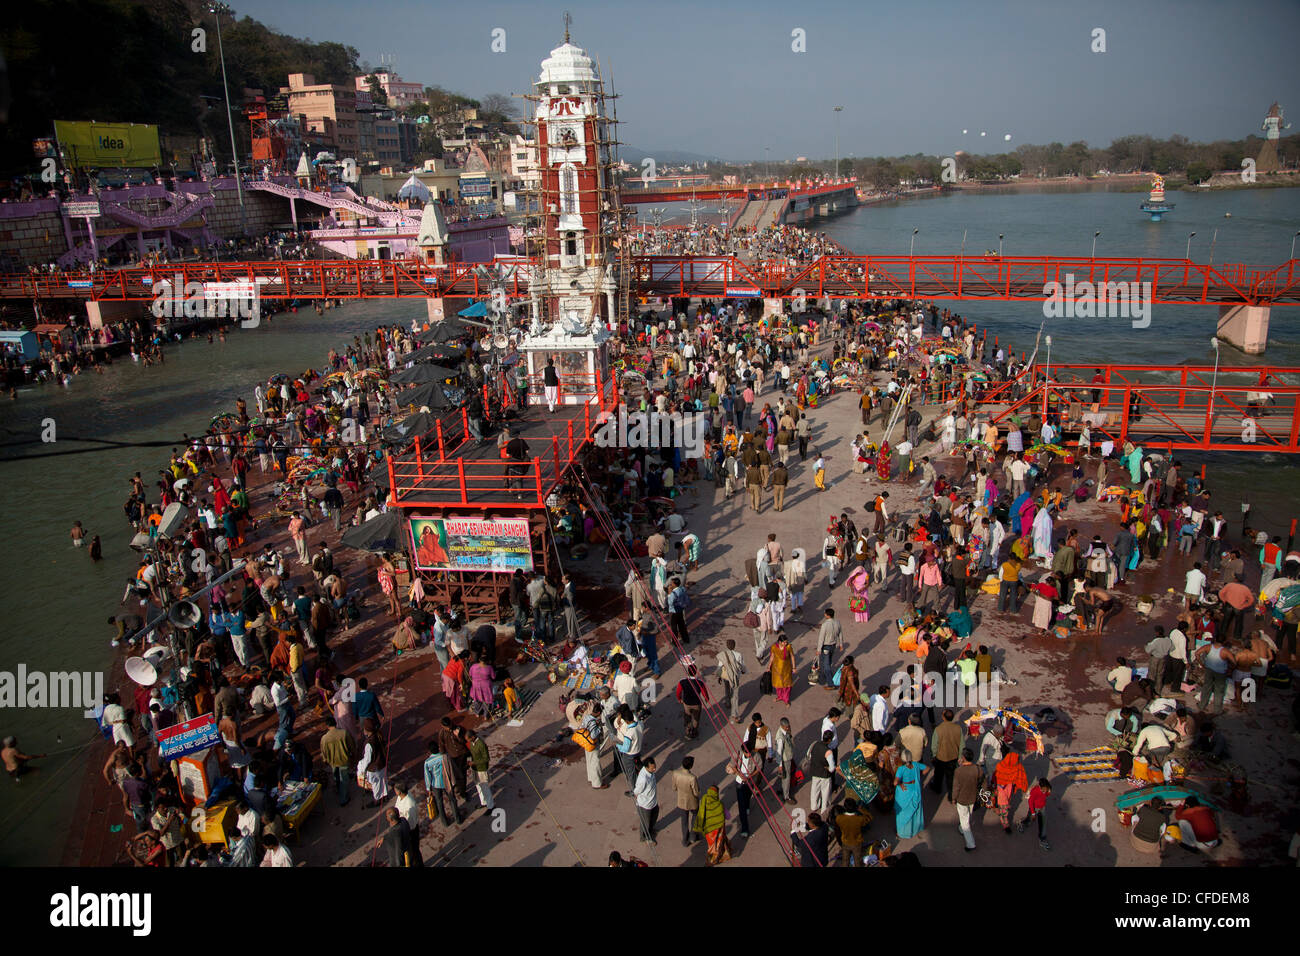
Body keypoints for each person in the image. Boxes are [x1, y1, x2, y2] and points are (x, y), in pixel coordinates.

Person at [318, 715, 356, 806]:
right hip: (343, 760)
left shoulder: (325, 738)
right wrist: (353, 755)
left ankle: (339, 791)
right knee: (344, 780)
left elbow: (323, 752)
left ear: (327, 726)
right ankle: (343, 799)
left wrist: (325, 760)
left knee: (337, 778)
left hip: (333, 762)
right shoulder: (344, 733)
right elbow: (352, 746)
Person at [423, 740, 461, 826]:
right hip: (447, 782)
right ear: (438, 748)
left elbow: (427, 776)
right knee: (452, 800)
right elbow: (452, 767)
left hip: (435, 784)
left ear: (429, 750)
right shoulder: (445, 756)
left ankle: (444, 822)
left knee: (439, 803)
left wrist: (428, 789)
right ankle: (457, 818)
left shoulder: (427, 762)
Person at [893, 751, 929, 840]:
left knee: (903, 813)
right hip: (915, 788)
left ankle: (902, 833)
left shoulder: (901, 769)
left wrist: (900, 784)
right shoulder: (916, 764)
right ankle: (915, 829)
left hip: (905, 790)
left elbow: (895, 782)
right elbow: (927, 768)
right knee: (915, 810)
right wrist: (919, 776)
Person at [693, 784, 731, 865]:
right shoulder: (720, 804)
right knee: (717, 844)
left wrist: (698, 826)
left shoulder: (704, 799)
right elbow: (728, 816)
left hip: (708, 830)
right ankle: (714, 860)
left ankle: (712, 859)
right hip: (718, 829)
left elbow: (701, 813)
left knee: (711, 845)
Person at [993, 750, 1029, 833]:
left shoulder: (1009, 767)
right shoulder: (1002, 767)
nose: (1017, 763)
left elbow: (1020, 774)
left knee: (1004, 805)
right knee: (1004, 808)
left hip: (1007, 789)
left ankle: (1001, 812)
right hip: (1002, 791)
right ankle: (1006, 825)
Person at [953, 748, 981, 852]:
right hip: (973, 797)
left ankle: (970, 843)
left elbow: (956, 787)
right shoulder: (977, 769)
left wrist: (953, 798)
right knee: (968, 815)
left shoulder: (959, 771)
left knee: (965, 823)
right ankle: (961, 828)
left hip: (962, 799)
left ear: (963, 758)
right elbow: (982, 781)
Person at [671, 755, 701, 848]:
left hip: (681, 800)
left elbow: (674, 788)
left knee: (684, 821)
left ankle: (685, 839)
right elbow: (696, 792)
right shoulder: (692, 777)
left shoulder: (675, 773)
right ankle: (693, 835)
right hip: (692, 801)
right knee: (695, 816)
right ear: (691, 766)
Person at [674, 665, 708, 739]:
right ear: (695, 672)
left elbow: (678, 692)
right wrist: (706, 699)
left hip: (687, 703)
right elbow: (705, 693)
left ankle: (688, 732)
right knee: (696, 718)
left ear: (688, 672)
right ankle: (694, 731)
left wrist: (679, 699)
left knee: (687, 717)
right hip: (697, 704)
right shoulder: (700, 682)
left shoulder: (682, 681)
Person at [1018, 777, 1052, 850]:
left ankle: (1042, 839)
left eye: (1046, 788)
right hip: (1034, 808)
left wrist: (1048, 792)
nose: (1045, 790)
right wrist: (1033, 813)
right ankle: (1022, 823)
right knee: (1029, 820)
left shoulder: (1047, 790)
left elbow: (1046, 795)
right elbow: (1030, 802)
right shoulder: (1035, 791)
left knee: (1043, 823)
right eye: (1044, 789)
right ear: (1040, 787)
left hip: (1042, 808)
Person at [834, 797, 869, 867]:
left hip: (845, 842)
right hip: (856, 843)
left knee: (845, 860)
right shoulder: (860, 819)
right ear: (855, 808)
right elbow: (869, 817)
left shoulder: (839, 818)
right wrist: (861, 810)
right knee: (857, 860)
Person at [716, 639, 746, 723]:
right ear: (734, 646)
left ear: (726, 645)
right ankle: (735, 715)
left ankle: (728, 702)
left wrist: (719, 676)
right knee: (735, 695)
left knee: (726, 689)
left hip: (726, 676)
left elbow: (720, 666)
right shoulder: (738, 655)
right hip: (735, 677)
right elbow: (742, 665)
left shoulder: (723, 654)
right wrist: (743, 671)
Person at [808, 729, 835, 816]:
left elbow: (809, 755)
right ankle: (824, 810)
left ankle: (814, 806)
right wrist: (828, 768)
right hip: (824, 775)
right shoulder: (828, 751)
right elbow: (832, 768)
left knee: (814, 790)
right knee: (825, 792)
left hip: (815, 771)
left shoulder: (815, 744)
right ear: (830, 740)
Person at [634, 756, 659, 845]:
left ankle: (650, 830)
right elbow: (637, 790)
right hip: (645, 805)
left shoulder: (650, 772)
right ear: (647, 767)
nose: (654, 769)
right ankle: (644, 837)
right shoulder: (643, 779)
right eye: (652, 768)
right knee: (645, 822)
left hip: (653, 801)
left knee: (654, 816)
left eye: (654, 766)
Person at [816, 608, 843, 686]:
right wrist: (841, 644)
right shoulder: (837, 623)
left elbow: (821, 638)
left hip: (826, 647)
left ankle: (830, 683)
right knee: (829, 661)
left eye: (825, 614)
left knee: (826, 664)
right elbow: (840, 634)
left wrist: (818, 649)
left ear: (827, 615)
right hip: (833, 645)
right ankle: (827, 675)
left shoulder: (825, 625)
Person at [770, 632, 795, 705]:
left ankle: (786, 700)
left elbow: (792, 657)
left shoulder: (789, 647)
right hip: (776, 669)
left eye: (786, 642)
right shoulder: (774, 647)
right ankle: (780, 696)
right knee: (778, 686)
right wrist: (769, 666)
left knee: (787, 686)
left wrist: (794, 667)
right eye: (784, 642)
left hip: (786, 669)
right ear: (780, 642)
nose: (785, 644)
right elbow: (772, 657)